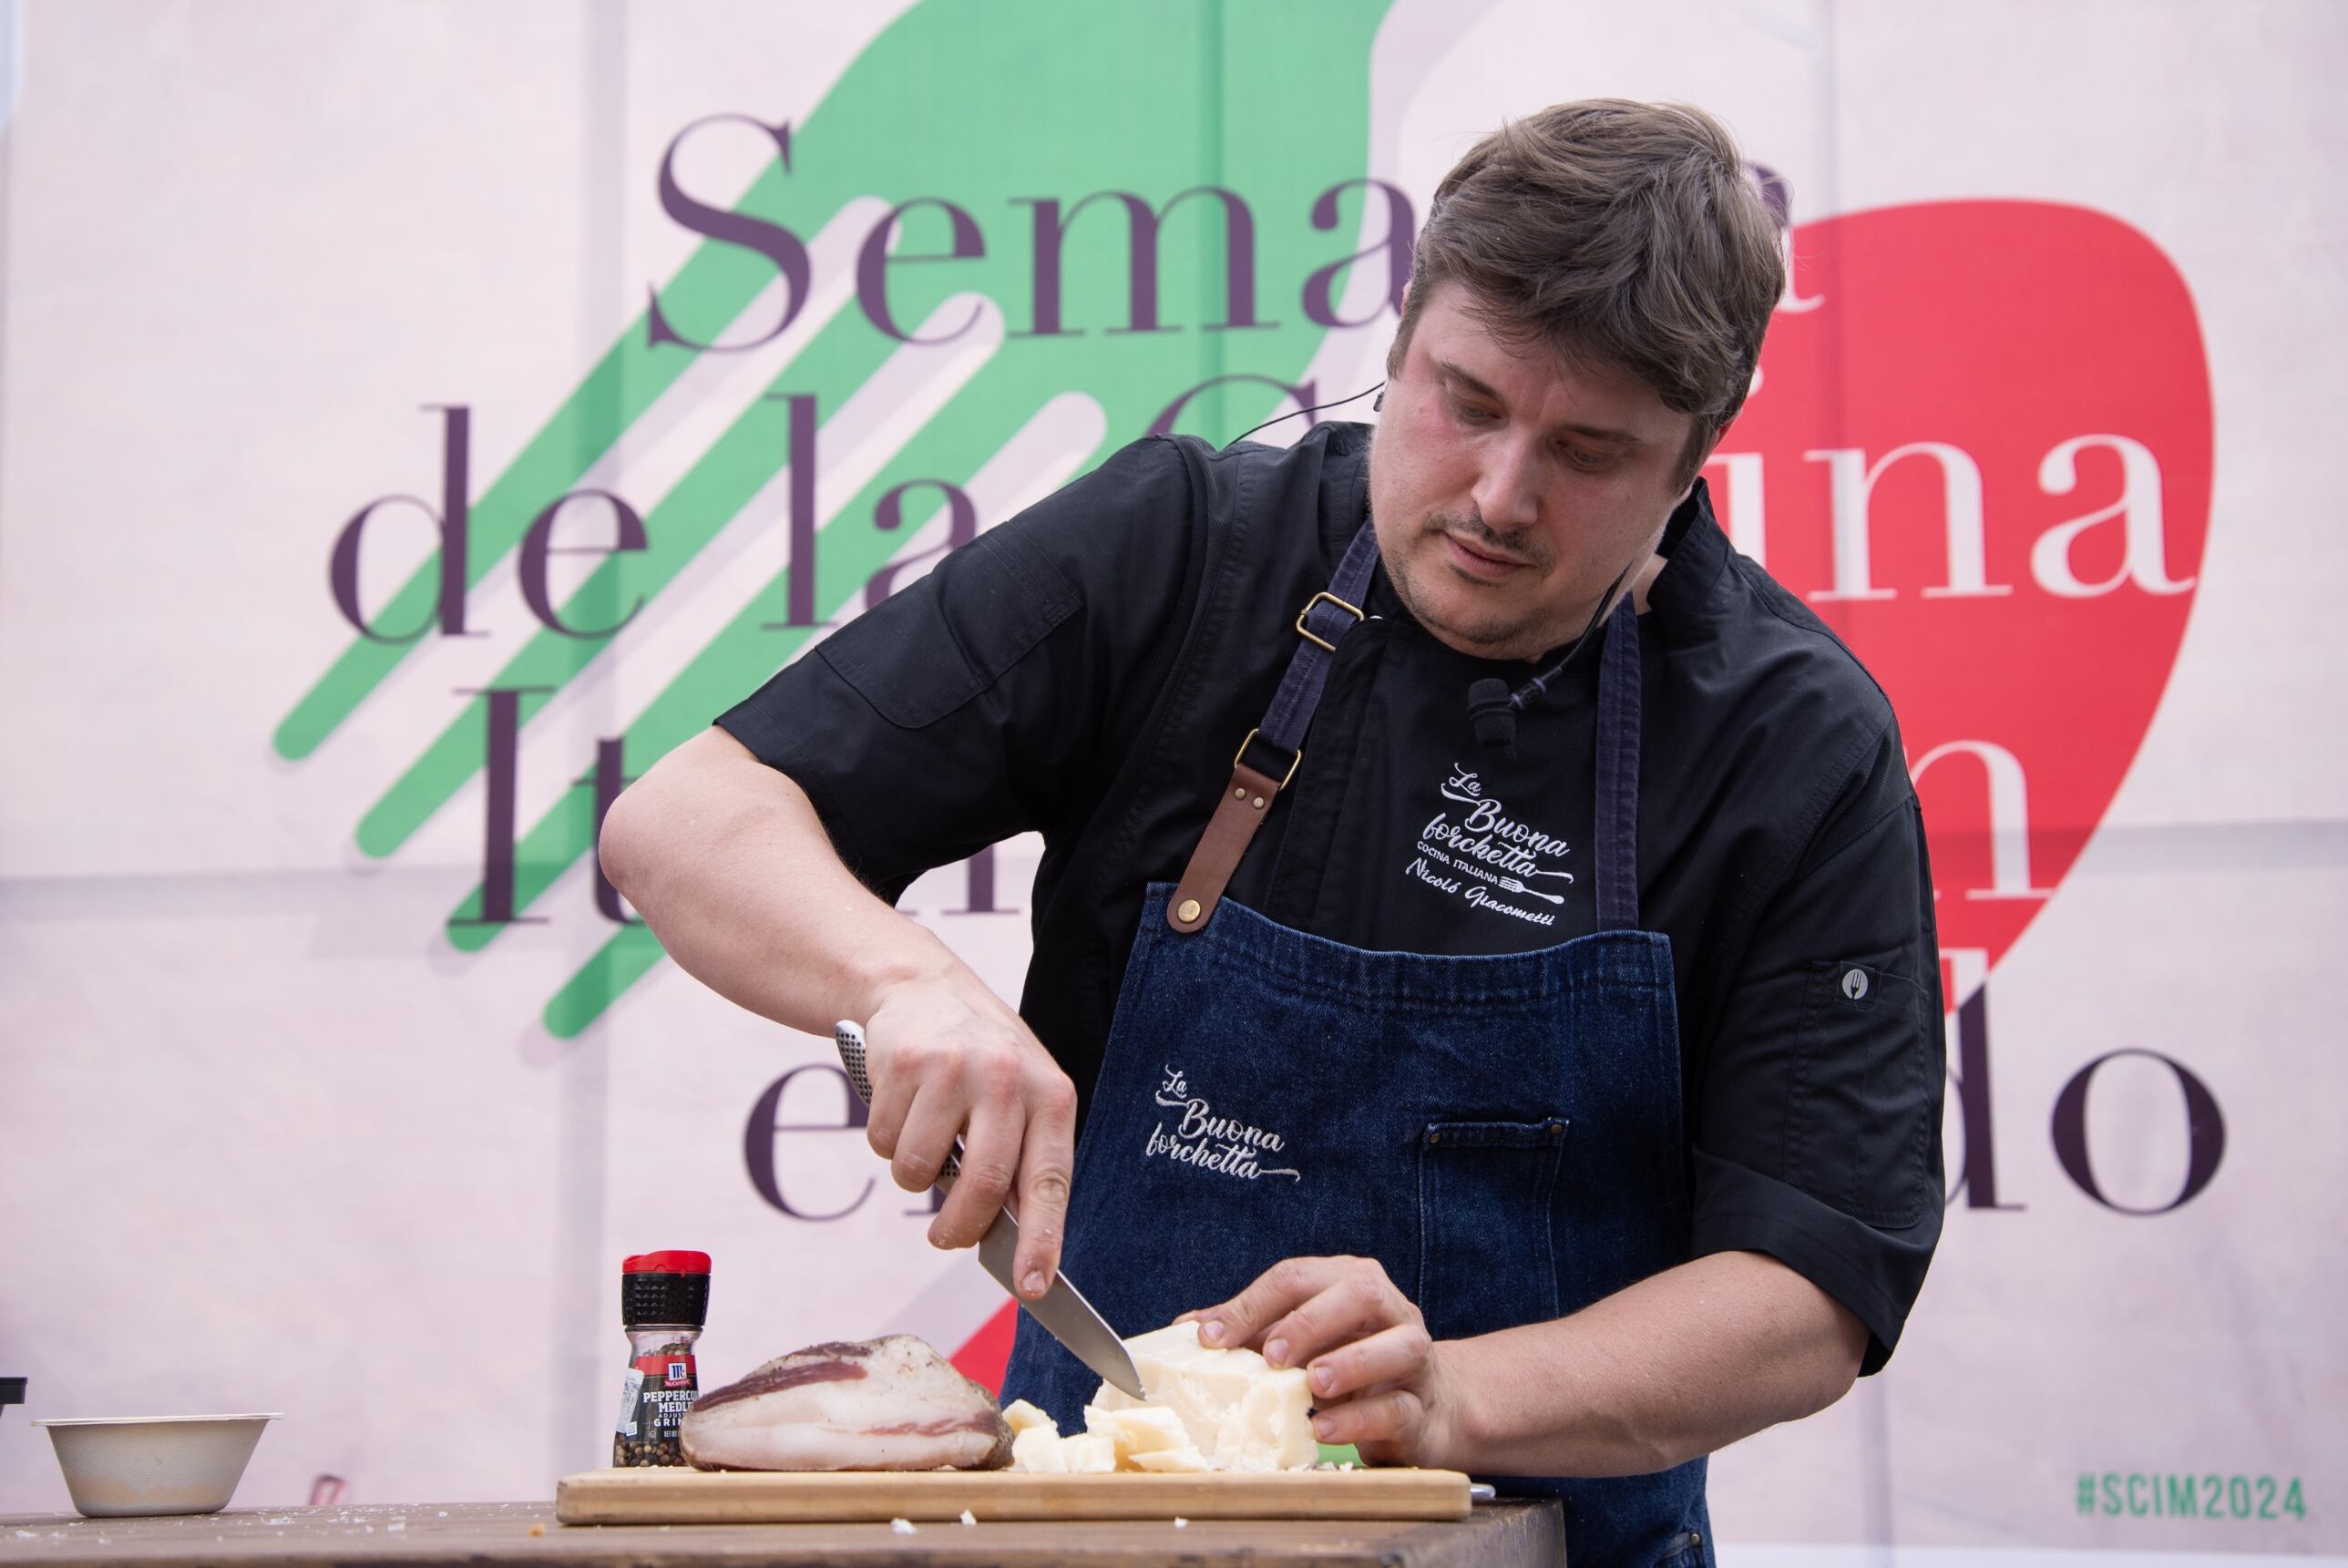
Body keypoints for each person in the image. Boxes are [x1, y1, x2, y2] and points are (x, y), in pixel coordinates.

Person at [601, 98, 1943, 1568]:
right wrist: (899, 978)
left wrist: (1452, 1396)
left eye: (1587, 450)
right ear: (1401, 337)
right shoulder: (1184, 551)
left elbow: (1805, 1293)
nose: (1498, 496)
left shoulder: (1789, 738)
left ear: (1698, 452)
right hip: (1097, 1539)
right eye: (1467, 403)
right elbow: (685, 820)